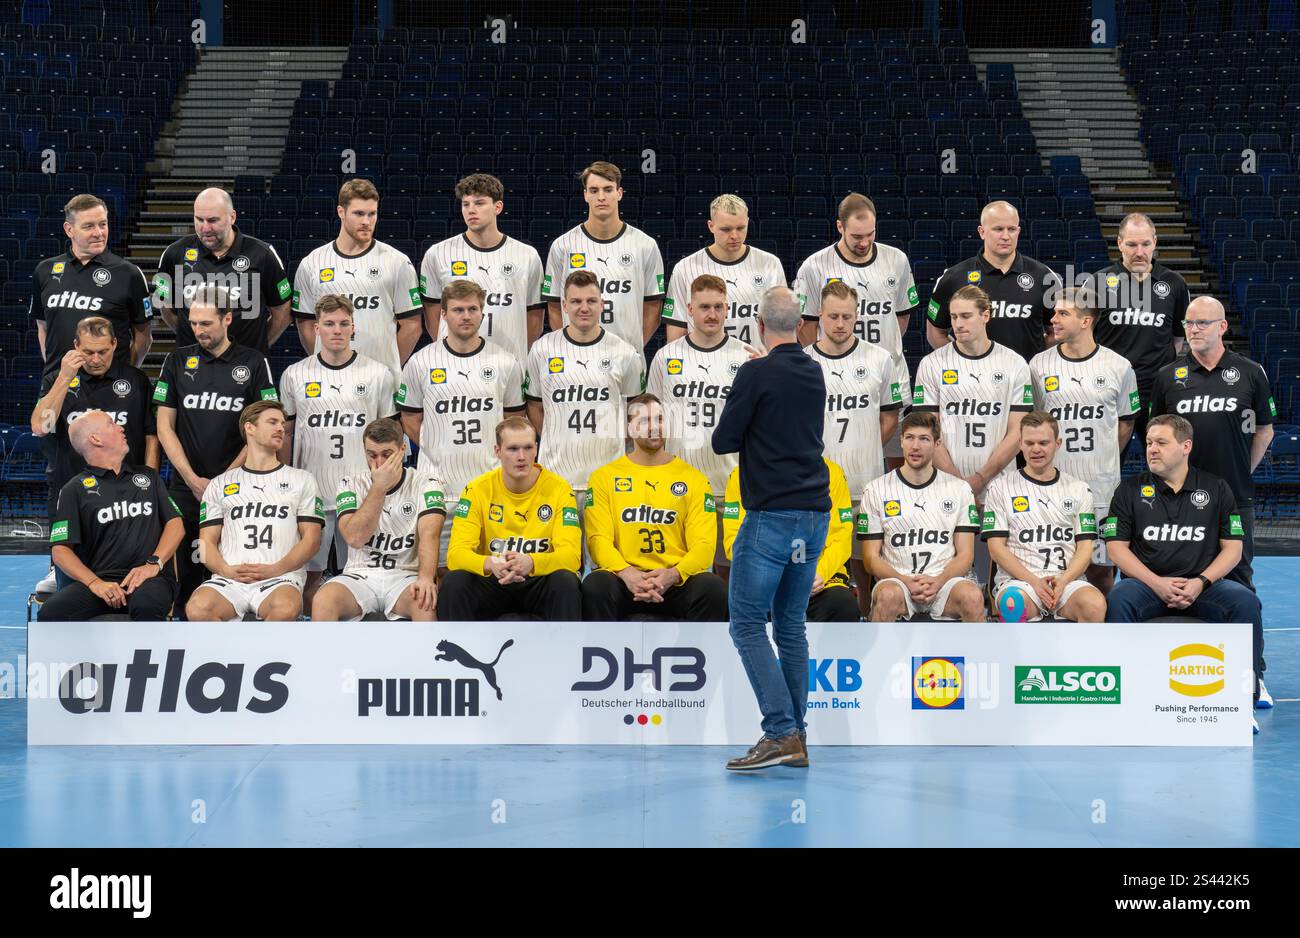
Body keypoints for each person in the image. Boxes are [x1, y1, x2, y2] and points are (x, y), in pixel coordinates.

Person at [712, 286, 829, 771]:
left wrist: (750, 377)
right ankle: (796, 735)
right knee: (790, 627)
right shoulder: (814, 369)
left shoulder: (754, 372)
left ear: (759, 326)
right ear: (801, 325)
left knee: (745, 623)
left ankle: (780, 731)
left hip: (771, 518)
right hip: (814, 515)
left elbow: (723, 440)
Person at [1103, 415, 1265, 713]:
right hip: (1147, 586)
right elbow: (1116, 549)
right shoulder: (1128, 490)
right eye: (1149, 442)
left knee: (1246, 602)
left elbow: (1233, 549)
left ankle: (1247, 697)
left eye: (1161, 443)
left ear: (1185, 446)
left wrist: (1201, 582)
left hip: (1202, 587)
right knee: (1118, 599)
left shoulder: (1217, 488)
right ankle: (1123, 694)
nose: (1152, 449)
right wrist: (1157, 583)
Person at [154, 284, 279, 611]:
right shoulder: (176, 361)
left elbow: (264, 426)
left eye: (205, 323)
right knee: (184, 566)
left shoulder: (253, 362)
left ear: (227, 319)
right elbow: (164, 427)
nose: (198, 330)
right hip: (186, 486)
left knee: (234, 564)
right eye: (193, 323)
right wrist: (193, 480)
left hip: (240, 485)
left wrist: (224, 479)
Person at [1148, 296, 1274, 593]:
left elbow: (1265, 431)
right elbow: (1154, 432)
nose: (1194, 329)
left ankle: (1249, 642)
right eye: (1189, 323)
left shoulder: (1251, 372)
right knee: (1177, 576)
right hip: (1176, 499)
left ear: (1223, 327)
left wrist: (1242, 469)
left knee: (1239, 579)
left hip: (1234, 495)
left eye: (1202, 322)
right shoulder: (1167, 376)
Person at [399, 280, 526, 574]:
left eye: (472, 309)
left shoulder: (505, 363)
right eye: (458, 309)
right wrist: (438, 447)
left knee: (495, 570)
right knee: (439, 572)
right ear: (443, 314)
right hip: (438, 486)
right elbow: (409, 419)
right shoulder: (420, 363)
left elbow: (515, 421)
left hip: (491, 486)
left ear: (483, 313)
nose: (466, 316)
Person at [280, 294, 397, 602]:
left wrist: (384, 488)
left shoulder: (377, 374)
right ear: (316, 328)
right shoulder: (295, 374)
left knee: (361, 575)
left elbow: (391, 439)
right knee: (307, 574)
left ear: (353, 328)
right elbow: (286, 434)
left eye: (344, 324)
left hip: (362, 491)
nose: (337, 330)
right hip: (312, 489)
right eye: (329, 324)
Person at [30, 316, 158, 594]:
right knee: (71, 588)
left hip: (126, 495)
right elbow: (41, 426)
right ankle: (60, 575)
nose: (96, 359)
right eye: (88, 352)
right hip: (74, 493)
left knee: (128, 583)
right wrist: (65, 377)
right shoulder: (57, 379)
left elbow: (150, 435)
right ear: (75, 346)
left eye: (103, 351)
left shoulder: (135, 380)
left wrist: (151, 479)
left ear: (115, 344)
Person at [792, 192, 915, 468]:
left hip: (887, 374)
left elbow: (901, 317)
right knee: (834, 458)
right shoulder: (815, 265)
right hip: (835, 380)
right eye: (856, 236)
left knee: (895, 466)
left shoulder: (897, 260)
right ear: (840, 227)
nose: (864, 242)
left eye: (870, 234)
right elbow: (807, 324)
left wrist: (877, 356)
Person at [804, 280, 905, 615]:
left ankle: (866, 630)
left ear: (857, 315)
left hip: (867, 483)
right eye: (833, 316)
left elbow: (890, 414)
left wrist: (865, 444)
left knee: (867, 568)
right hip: (816, 488)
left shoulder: (879, 359)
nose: (840, 324)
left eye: (847, 317)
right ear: (819, 314)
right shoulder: (803, 362)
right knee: (823, 568)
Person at [1030, 287, 1139, 594]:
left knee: (1101, 570)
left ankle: (1099, 637)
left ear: (1086, 320)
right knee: (1051, 566)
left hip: (1102, 488)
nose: (1053, 319)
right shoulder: (1038, 365)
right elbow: (1035, 423)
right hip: (1052, 486)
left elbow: (1125, 422)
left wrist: (1104, 456)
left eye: (1063, 313)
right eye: (1054, 312)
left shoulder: (1118, 366)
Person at [582, 395, 728, 621]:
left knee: (713, 588)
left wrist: (672, 575)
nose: (654, 427)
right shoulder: (603, 478)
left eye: (659, 419)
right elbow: (598, 540)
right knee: (596, 584)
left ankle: (696, 654)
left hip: (674, 582)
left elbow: (704, 546)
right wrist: (627, 574)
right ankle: (601, 652)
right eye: (644, 421)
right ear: (628, 428)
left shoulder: (694, 479)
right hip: (625, 580)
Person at [647, 274, 753, 577]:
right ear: (689, 309)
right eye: (705, 307)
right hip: (681, 483)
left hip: (733, 479)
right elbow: (654, 421)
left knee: (731, 568)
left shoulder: (746, 358)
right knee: (682, 571)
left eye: (719, 307)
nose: (712, 314)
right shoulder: (666, 357)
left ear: (728, 308)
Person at [40, 411, 184, 621]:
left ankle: (141, 655)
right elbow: (60, 551)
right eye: (111, 424)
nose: (121, 427)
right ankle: (86, 656)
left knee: (147, 605)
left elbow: (176, 524)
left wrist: (154, 564)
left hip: (150, 577)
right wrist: (94, 583)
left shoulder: (148, 477)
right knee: (51, 613)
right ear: (95, 438)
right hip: (103, 582)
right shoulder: (74, 489)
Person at [187, 401, 324, 622]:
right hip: (229, 579)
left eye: (282, 423)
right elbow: (205, 544)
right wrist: (225, 570)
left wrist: (274, 569)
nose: (281, 428)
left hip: (281, 577)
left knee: (285, 608)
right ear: (249, 428)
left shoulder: (302, 479)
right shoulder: (219, 484)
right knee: (197, 609)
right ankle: (233, 655)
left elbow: (312, 541)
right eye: (272, 422)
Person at [525, 270, 645, 519]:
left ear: (602, 304)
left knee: (603, 559)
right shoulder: (542, 349)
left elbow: (637, 413)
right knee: (556, 558)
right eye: (577, 301)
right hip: (555, 477)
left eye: (591, 301)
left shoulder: (624, 353)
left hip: (607, 478)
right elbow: (535, 408)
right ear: (564, 305)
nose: (584, 308)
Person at [439, 417, 583, 620]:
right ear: (497, 451)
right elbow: (455, 555)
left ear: (536, 449)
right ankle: (459, 648)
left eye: (528, 447)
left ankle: (566, 650)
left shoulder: (560, 490)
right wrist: (491, 563)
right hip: (495, 579)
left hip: (537, 579)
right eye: (513, 449)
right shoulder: (476, 490)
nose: (522, 456)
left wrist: (532, 562)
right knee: (455, 582)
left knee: (565, 582)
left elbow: (571, 556)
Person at [311, 418, 444, 622]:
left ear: (402, 449)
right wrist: (379, 487)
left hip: (405, 574)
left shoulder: (427, 483)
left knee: (423, 603)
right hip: (360, 574)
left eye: (386, 455)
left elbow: (430, 534)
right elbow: (355, 538)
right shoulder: (350, 484)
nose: (379, 464)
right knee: (323, 600)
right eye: (372, 455)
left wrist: (426, 578)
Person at [858, 412, 985, 623]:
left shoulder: (960, 489)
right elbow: (871, 559)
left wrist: (938, 581)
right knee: (888, 596)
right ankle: (881, 657)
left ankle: (981, 657)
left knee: (972, 597)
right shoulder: (876, 489)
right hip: (898, 581)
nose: (915, 446)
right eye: (909, 438)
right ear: (900, 441)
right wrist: (904, 581)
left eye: (924, 439)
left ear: (937, 444)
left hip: (944, 582)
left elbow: (966, 555)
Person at [981, 412, 1107, 622]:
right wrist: (1035, 583)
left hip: (1066, 581)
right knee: (1014, 604)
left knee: (1095, 604)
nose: (1036, 449)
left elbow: (1085, 549)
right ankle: (1019, 656)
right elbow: (996, 549)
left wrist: (1063, 582)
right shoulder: (999, 488)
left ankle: (1079, 656)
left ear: (1057, 443)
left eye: (1043, 442)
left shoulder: (1079, 489)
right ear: (1020, 444)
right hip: (1019, 581)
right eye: (1029, 443)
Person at [291, 178, 422, 378]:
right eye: (359, 214)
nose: (366, 222)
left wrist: (386, 368)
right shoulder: (312, 263)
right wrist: (329, 362)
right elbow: (306, 324)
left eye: (372, 214)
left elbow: (412, 326)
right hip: (329, 380)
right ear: (341, 212)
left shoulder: (397, 262)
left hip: (382, 384)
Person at [912, 285, 1033, 500]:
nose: (958, 324)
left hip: (1001, 486)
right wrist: (959, 484)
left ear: (986, 315)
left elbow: (1018, 433)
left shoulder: (1015, 364)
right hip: (944, 487)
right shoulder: (931, 364)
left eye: (966, 316)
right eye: (953, 317)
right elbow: (927, 431)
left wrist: (979, 478)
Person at [419, 172, 547, 361]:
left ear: (498, 207)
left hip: (510, 365)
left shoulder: (526, 255)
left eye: (479, 203)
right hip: (453, 364)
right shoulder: (437, 254)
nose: (471, 210)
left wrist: (514, 353)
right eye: (466, 204)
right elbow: (433, 315)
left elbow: (535, 317)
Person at [1089, 212, 1190, 447]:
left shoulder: (1175, 284)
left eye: (1145, 244)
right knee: (1107, 461)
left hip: (1156, 390)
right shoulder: (1097, 282)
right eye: (1132, 244)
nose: (1139, 252)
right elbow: (1085, 336)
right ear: (1119, 243)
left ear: (1155, 242)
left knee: (1162, 462)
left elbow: (1177, 339)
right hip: (1108, 388)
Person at [31, 194, 153, 386]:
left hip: (110, 387)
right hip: (59, 386)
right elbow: (43, 328)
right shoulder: (44, 271)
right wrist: (56, 373)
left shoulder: (129, 274)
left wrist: (125, 373)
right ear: (69, 229)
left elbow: (144, 335)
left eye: (102, 224)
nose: (98, 233)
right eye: (89, 226)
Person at [153, 187, 293, 354]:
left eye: (213, 220)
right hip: (192, 366)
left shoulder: (262, 254)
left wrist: (257, 349)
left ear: (232, 217)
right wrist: (190, 335)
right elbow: (164, 305)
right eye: (199, 219)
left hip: (246, 367)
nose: (205, 228)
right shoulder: (174, 254)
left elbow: (282, 312)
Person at [542, 161, 665, 349]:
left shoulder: (645, 245)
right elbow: (554, 307)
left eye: (608, 189)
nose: (601, 197)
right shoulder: (562, 246)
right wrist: (570, 346)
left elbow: (653, 308)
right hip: (576, 356)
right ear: (585, 195)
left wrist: (632, 349)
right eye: (594, 190)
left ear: (619, 193)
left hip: (627, 359)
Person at [723, 457, 860, 622]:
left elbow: (841, 537)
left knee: (843, 605)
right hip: (765, 582)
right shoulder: (741, 474)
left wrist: (820, 573)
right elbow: (734, 540)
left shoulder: (832, 473)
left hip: (819, 581)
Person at [926, 201, 1061, 362]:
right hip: (974, 381)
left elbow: (1058, 332)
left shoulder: (1044, 277)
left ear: (1018, 231)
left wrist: (1034, 363)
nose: (1005, 236)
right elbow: (935, 333)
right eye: (998, 229)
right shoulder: (953, 277)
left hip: (1027, 381)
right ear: (982, 232)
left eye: (1011, 229)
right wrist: (963, 363)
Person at [661, 194, 786, 346]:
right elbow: (677, 326)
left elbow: (781, 325)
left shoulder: (770, 264)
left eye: (740, 228)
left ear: (747, 222)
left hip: (757, 362)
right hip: (704, 360)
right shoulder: (685, 268)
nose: (734, 235)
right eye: (726, 229)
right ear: (711, 226)